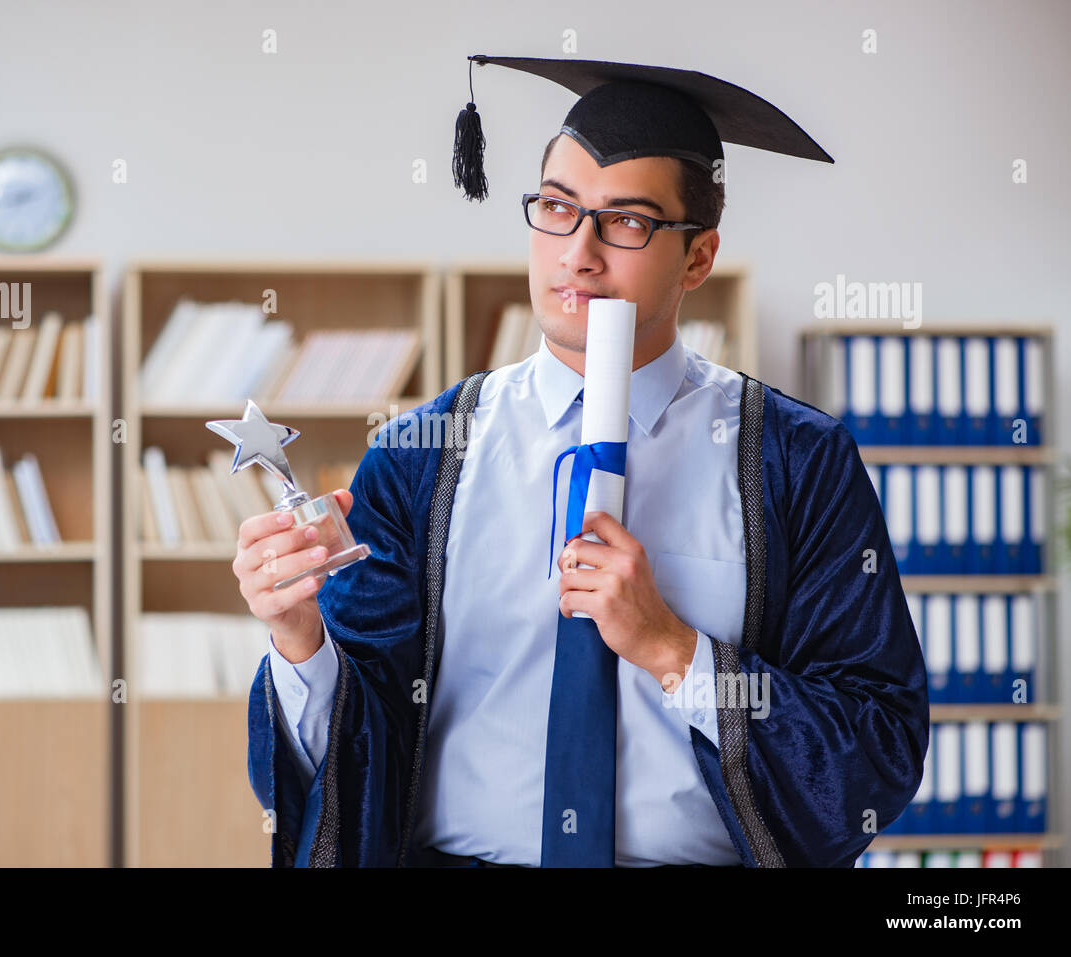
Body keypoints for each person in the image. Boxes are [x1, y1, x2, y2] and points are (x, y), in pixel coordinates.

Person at [232, 55, 930, 867]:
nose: (580, 253)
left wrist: (676, 649)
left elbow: (876, 746)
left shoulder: (795, 461)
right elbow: (354, 756)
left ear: (698, 257)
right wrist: (298, 640)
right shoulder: (421, 458)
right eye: (558, 209)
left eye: (627, 221)